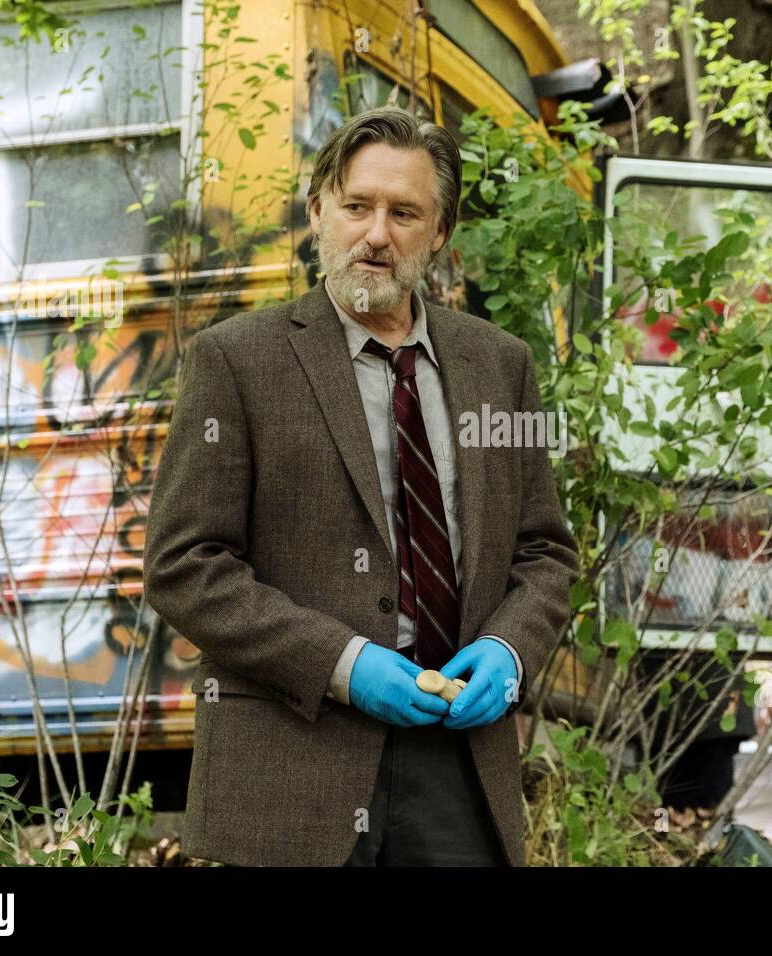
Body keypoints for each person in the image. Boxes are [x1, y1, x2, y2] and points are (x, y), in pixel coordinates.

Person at [143, 105, 578, 866]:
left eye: (404, 212)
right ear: (318, 212)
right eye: (357, 206)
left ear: (438, 233)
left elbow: (545, 552)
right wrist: (345, 664)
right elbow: (185, 566)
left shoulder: (501, 366)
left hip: (459, 773)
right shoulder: (235, 362)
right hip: (291, 768)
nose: (377, 235)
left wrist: (508, 653)